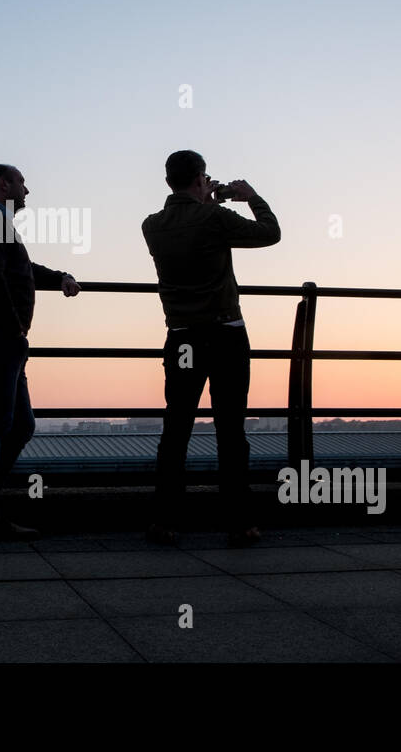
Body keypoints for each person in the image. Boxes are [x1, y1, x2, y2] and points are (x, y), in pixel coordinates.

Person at [140, 150, 280, 548]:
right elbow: (269, 232)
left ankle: (165, 520)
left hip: (181, 336)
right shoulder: (215, 218)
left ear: (169, 180)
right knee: (230, 431)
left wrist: (206, 200)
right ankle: (240, 522)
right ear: (201, 178)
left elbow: (190, 227)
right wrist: (250, 195)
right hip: (225, 335)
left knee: (176, 429)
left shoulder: (152, 225)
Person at [0, 164, 80, 539]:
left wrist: (58, 278)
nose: (28, 190)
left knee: (19, 424)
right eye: (22, 182)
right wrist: (14, 330)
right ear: (4, 184)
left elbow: (18, 268)